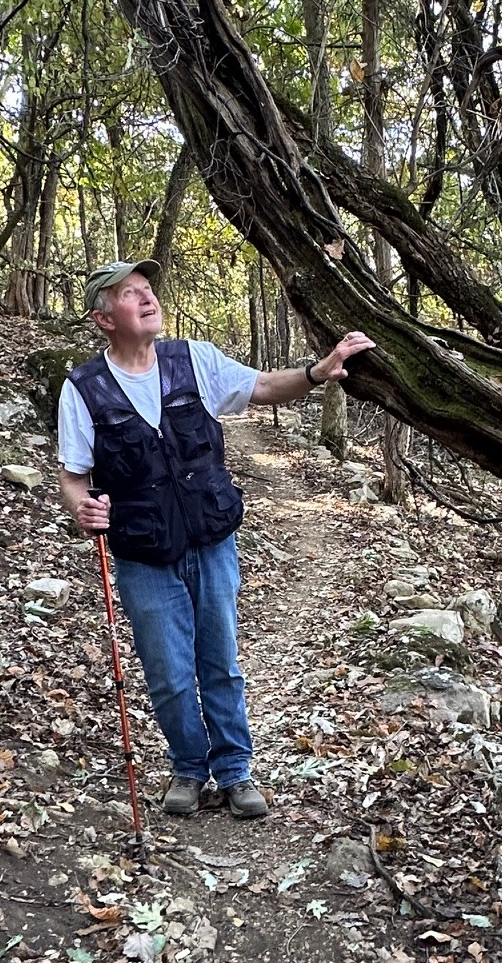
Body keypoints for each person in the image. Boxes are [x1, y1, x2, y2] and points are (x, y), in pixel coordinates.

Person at [57, 259, 375, 820]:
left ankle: (235, 772)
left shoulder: (193, 360)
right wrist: (81, 508)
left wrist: (319, 371)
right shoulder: (83, 389)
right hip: (143, 553)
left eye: (148, 289)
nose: (147, 298)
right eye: (131, 294)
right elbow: (74, 474)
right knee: (169, 671)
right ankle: (188, 767)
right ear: (104, 319)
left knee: (220, 660)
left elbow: (261, 387)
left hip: (210, 540)